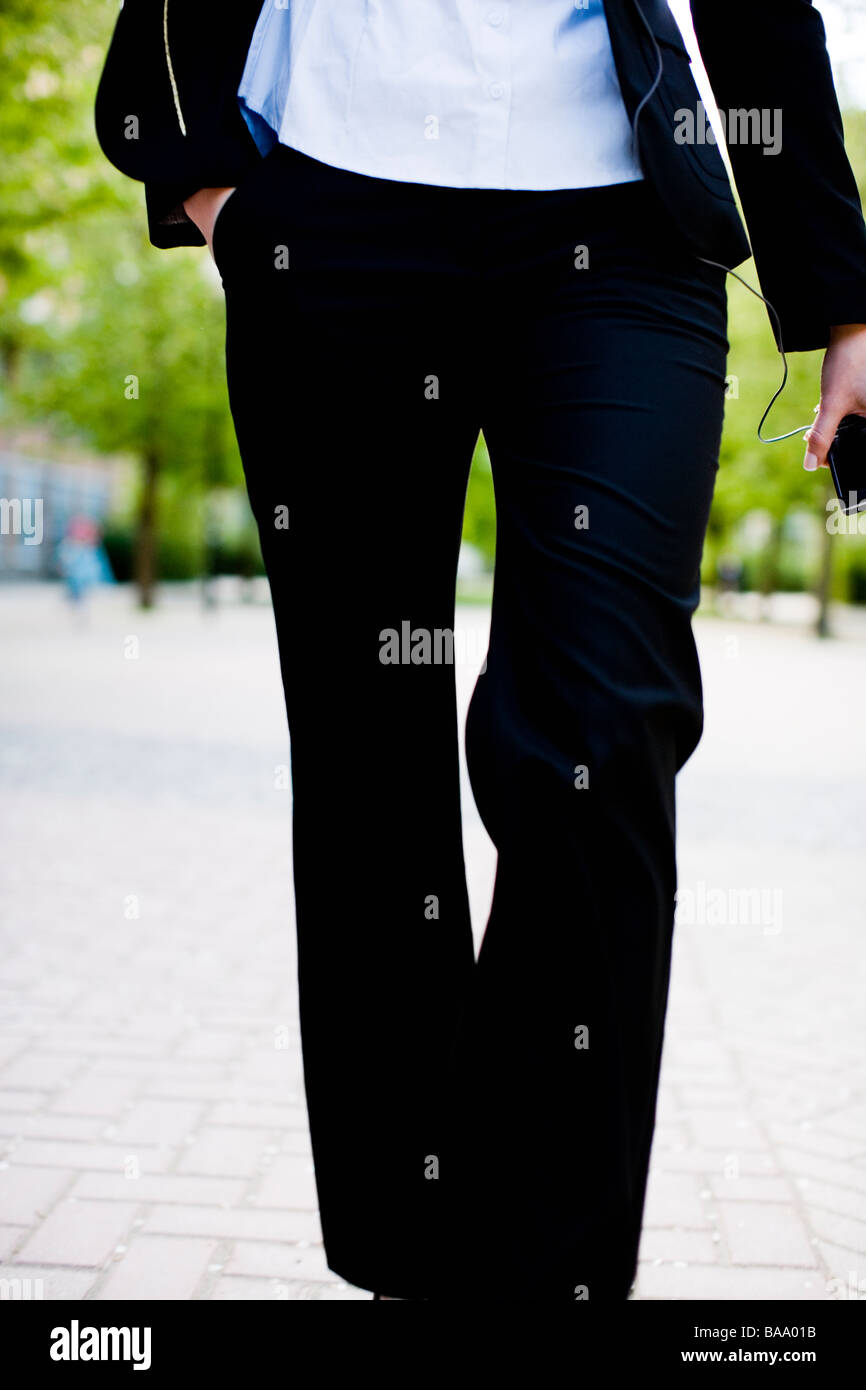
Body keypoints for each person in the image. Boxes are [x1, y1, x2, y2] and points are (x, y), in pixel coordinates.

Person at [95, 1, 866, 1301]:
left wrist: (842, 298)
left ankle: (542, 1272)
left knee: (599, 726)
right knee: (366, 746)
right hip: (328, 213)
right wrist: (214, 186)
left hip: (622, 228)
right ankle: (415, 1246)